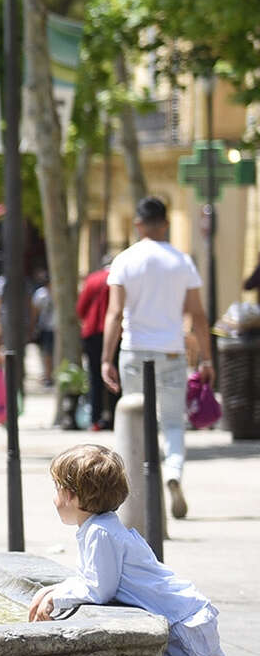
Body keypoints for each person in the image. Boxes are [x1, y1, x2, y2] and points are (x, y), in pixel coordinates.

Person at [27, 444, 260, 656]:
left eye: (57, 488)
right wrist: (53, 590)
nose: (54, 497)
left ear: (74, 495)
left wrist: (56, 596)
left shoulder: (101, 532)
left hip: (184, 622)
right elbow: (94, 578)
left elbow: (100, 588)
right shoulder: (100, 527)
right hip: (176, 621)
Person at [103, 197, 212, 520]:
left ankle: (134, 497)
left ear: (138, 224)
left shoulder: (125, 260)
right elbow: (198, 315)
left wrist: (106, 358)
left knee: (135, 423)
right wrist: (206, 358)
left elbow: (113, 313)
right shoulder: (182, 261)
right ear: (165, 224)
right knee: (174, 422)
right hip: (171, 350)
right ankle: (172, 472)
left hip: (135, 350)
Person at [77, 258, 117, 432]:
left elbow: (81, 308)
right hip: (116, 333)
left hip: (92, 332)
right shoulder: (118, 279)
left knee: (95, 376)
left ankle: (95, 419)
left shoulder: (92, 279)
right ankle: (115, 418)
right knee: (116, 377)